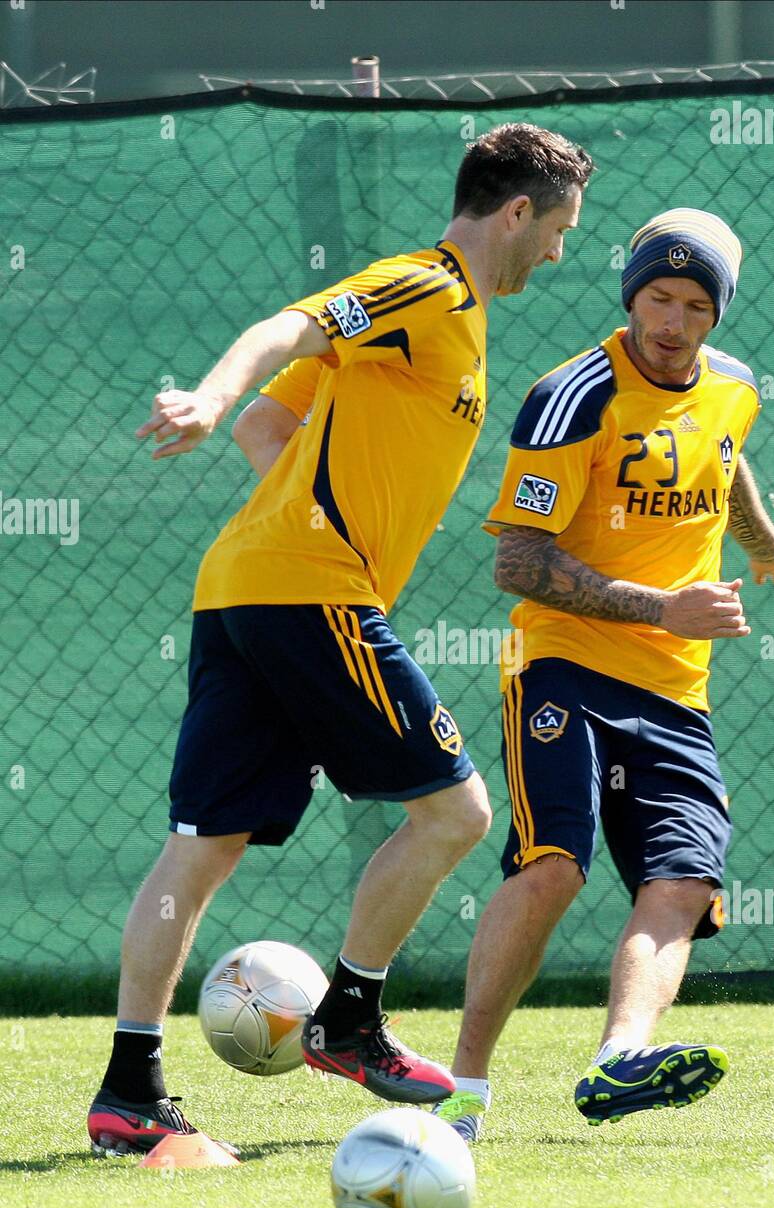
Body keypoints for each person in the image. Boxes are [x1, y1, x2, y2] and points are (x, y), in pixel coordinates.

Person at [87, 123, 594, 1156]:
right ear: (516, 213)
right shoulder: (429, 288)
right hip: (310, 593)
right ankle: (350, 1017)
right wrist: (213, 394)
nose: (558, 252)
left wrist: (301, 493)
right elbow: (289, 330)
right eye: (558, 230)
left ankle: (128, 1092)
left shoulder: (449, 322)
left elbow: (267, 432)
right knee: (458, 812)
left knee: (204, 842)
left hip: (244, 586)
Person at [432, 208, 774, 1143]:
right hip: (563, 665)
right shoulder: (572, 396)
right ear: (630, 294)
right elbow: (519, 562)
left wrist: (766, 551)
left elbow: (722, 458)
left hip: (673, 689)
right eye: (659, 296)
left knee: (685, 881)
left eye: (697, 305)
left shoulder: (733, 387)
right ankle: (462, 1090)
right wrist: (664, 608)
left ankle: (619, 1061)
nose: (674, 320)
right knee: (551, 869)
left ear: (717, 315)